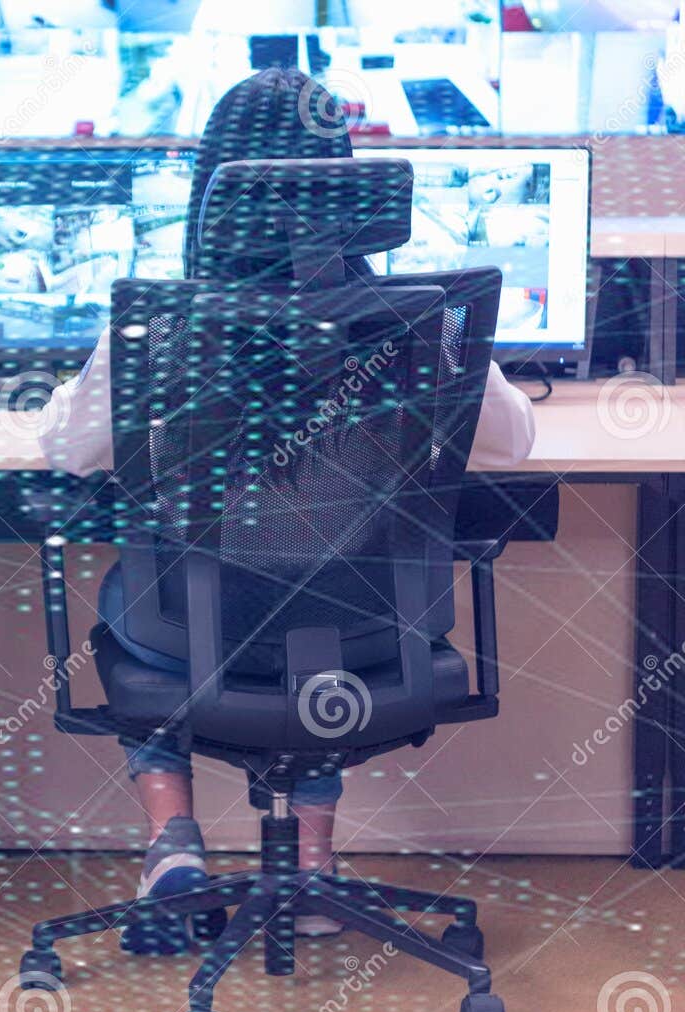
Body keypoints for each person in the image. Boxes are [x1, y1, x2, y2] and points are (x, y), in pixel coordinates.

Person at [37, 67, 535, 949]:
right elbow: (507, 445)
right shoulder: (416, 314)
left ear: (210, 189)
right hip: (379, 639)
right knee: (327, 595)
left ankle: (171, 840)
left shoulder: (165, 320)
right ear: (351, 184)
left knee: (138, 584)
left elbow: (71, 452)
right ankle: (311, 869)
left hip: (196, 638)